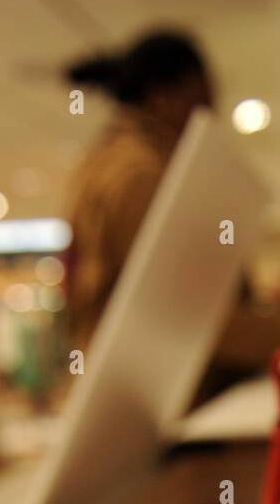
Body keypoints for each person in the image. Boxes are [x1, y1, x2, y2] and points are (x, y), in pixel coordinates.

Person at [64, 31, 214, 346]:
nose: (211, 119)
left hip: (116, 367)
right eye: (202, 103)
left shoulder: (106, 159)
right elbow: (179, 309)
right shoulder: (140, 173)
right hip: (137, 377)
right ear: (162, 97)